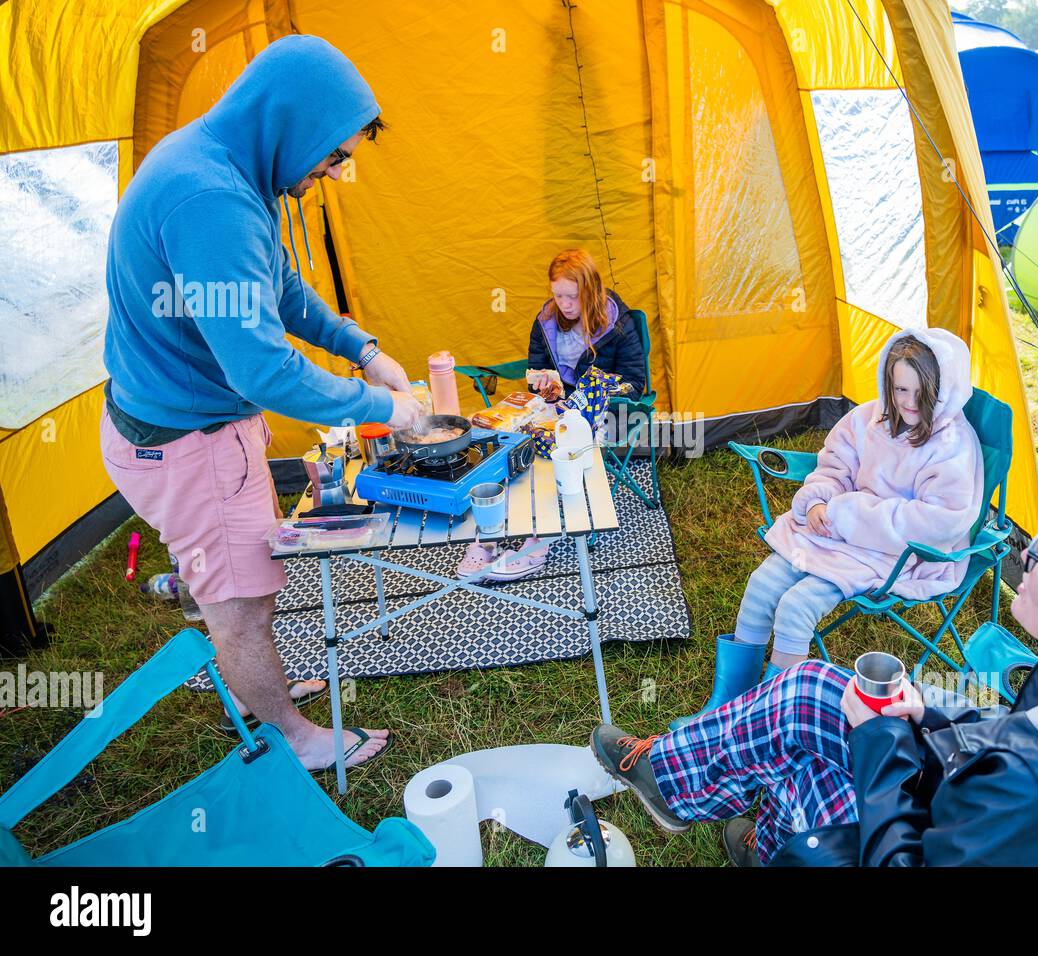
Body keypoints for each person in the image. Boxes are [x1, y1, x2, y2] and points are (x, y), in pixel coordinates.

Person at [592, 481, 1038, 866]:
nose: (1016, 559)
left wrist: (880, 745)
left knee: (821, 763)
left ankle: (767, 835)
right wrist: (931, 717)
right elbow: (1014, 736)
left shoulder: (1035, 793)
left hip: (967, 834)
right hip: (991, 811)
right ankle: (685, 788)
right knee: (816, 695)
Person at [99, 36, 424, 773]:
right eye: (334, 155)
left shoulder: (227, 163)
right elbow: (264, 372)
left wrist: (361, 345)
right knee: (241, 602)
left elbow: (278, 290)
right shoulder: (212, 201)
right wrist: (385, 406)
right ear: (293, 123)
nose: (335, 173)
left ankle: (255, 697)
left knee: (245, 580)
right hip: (190, 442)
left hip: (186, 426)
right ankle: (289, 737)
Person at [672, 328, 984, 728]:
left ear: (942, 391)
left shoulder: (952, 446)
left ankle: (768, 722)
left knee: (796, 608)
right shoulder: (869, 418)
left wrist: (848, 514)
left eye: (919, 394)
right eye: (899, 390)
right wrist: (819, 499)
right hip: (835, 532)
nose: (907, 403)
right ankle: (726, 704)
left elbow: (936, 522)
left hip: (892, 553)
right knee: (762, 584)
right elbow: (835, 465)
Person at [458, 248, 646, 580]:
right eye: (558, 295)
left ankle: (536, 545)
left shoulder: (618, 323)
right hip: (554, 404)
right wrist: (544, 383)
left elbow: (636, 383)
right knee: (507, 441)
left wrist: (597, 389)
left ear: (591, 290)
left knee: (561, 453)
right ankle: (487, 538)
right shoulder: (546, 320)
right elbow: (535, 373)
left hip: (598, 409)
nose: (565, 304)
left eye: (572, 296)